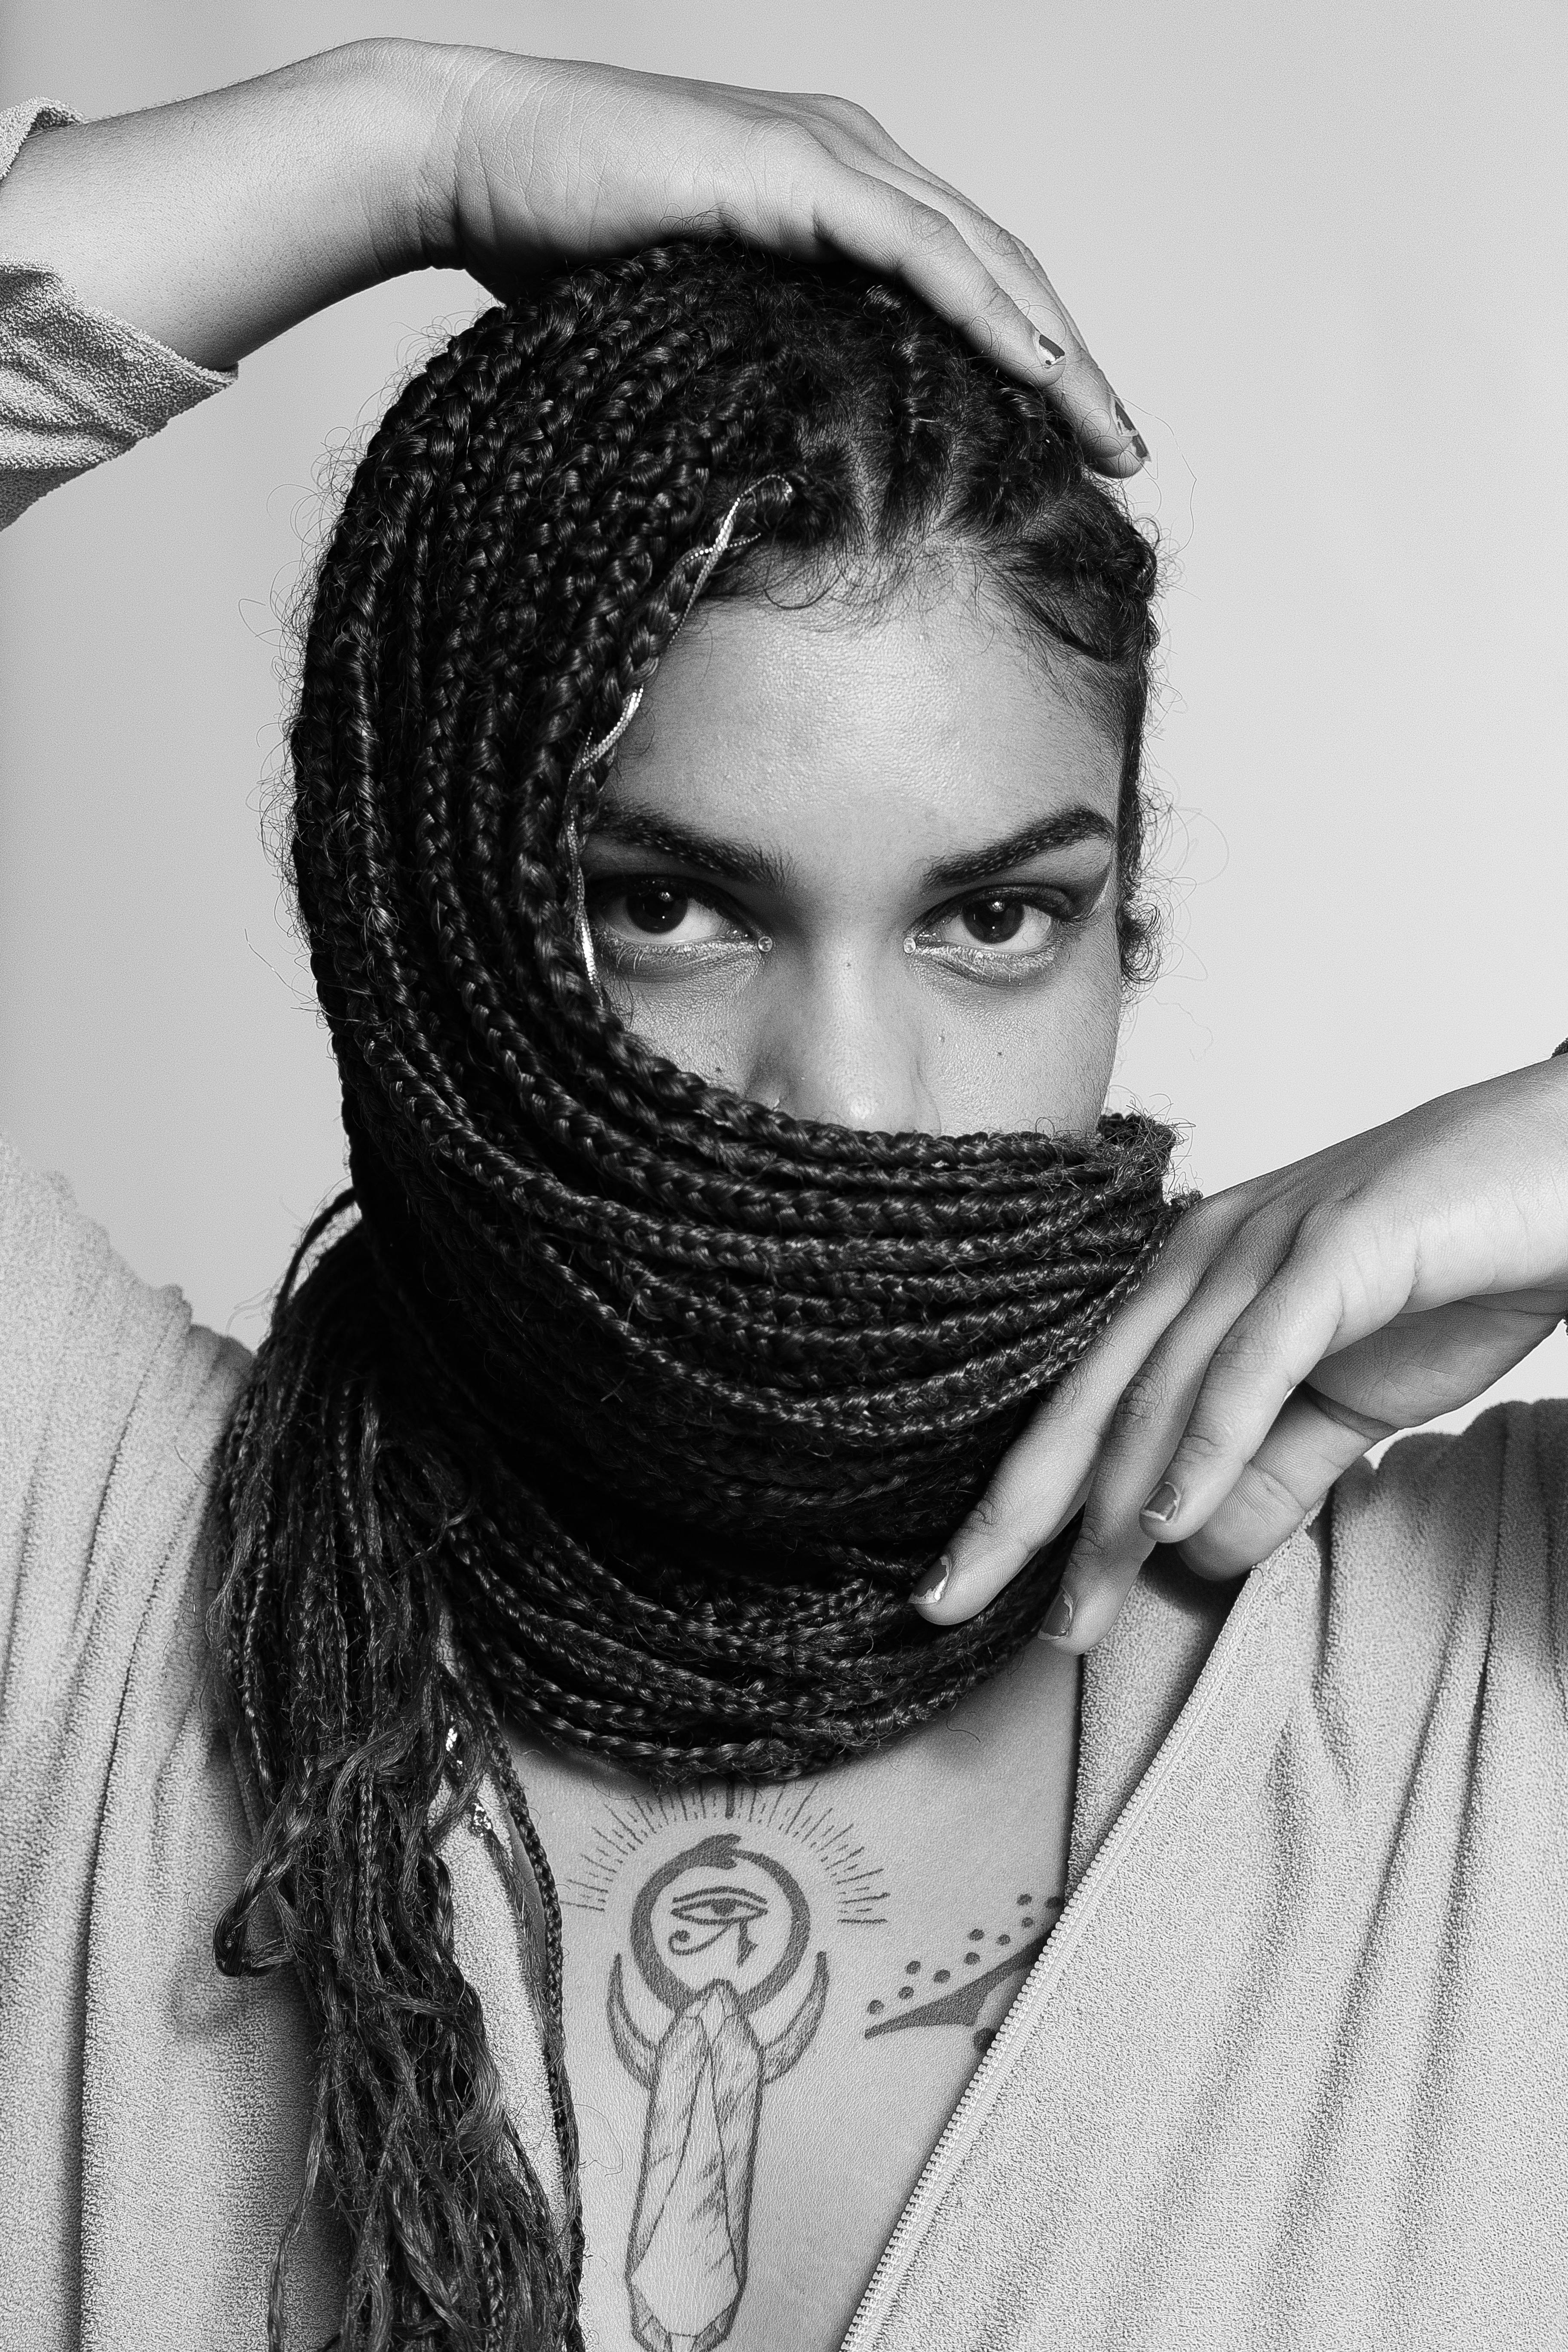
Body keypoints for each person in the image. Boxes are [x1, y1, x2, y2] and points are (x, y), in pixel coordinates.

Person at [1, 38, 1565, 2352]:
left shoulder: (1493, 1694)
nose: (845, 1099)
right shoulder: (86, 1574)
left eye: (993, 920)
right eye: (673, 909)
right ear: (417, 919)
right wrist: (412, 140)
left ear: (1128, 921)